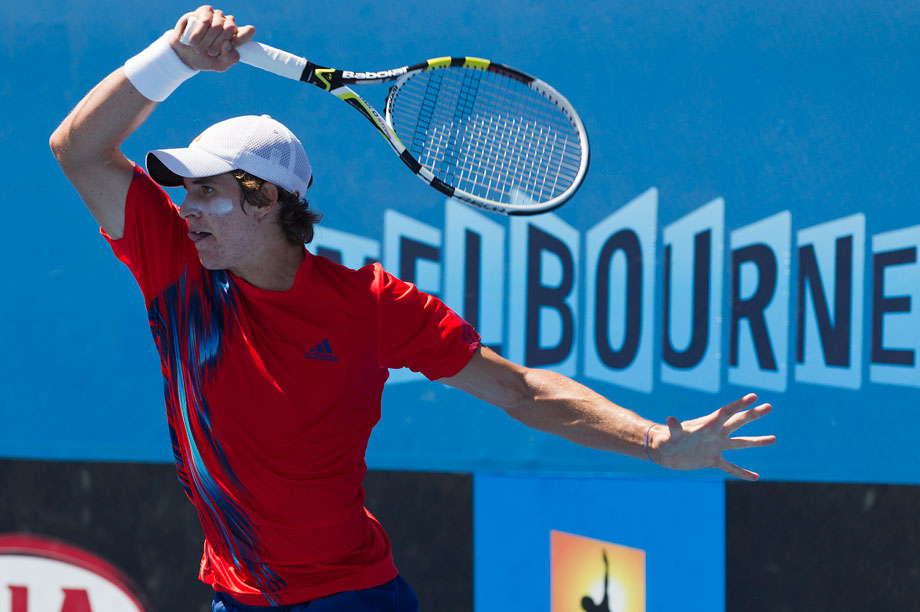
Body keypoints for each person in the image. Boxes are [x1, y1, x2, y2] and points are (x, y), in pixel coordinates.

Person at [49, 6, 776, 611]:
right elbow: (78, 149)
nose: (188, 207)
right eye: (186, 191)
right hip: (236, 595)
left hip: (349, 599)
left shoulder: (369, 307)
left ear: (268, 201)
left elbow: (518, 389)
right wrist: (173, 59)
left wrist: (653, 440)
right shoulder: (177, 265)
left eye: (208, 190)